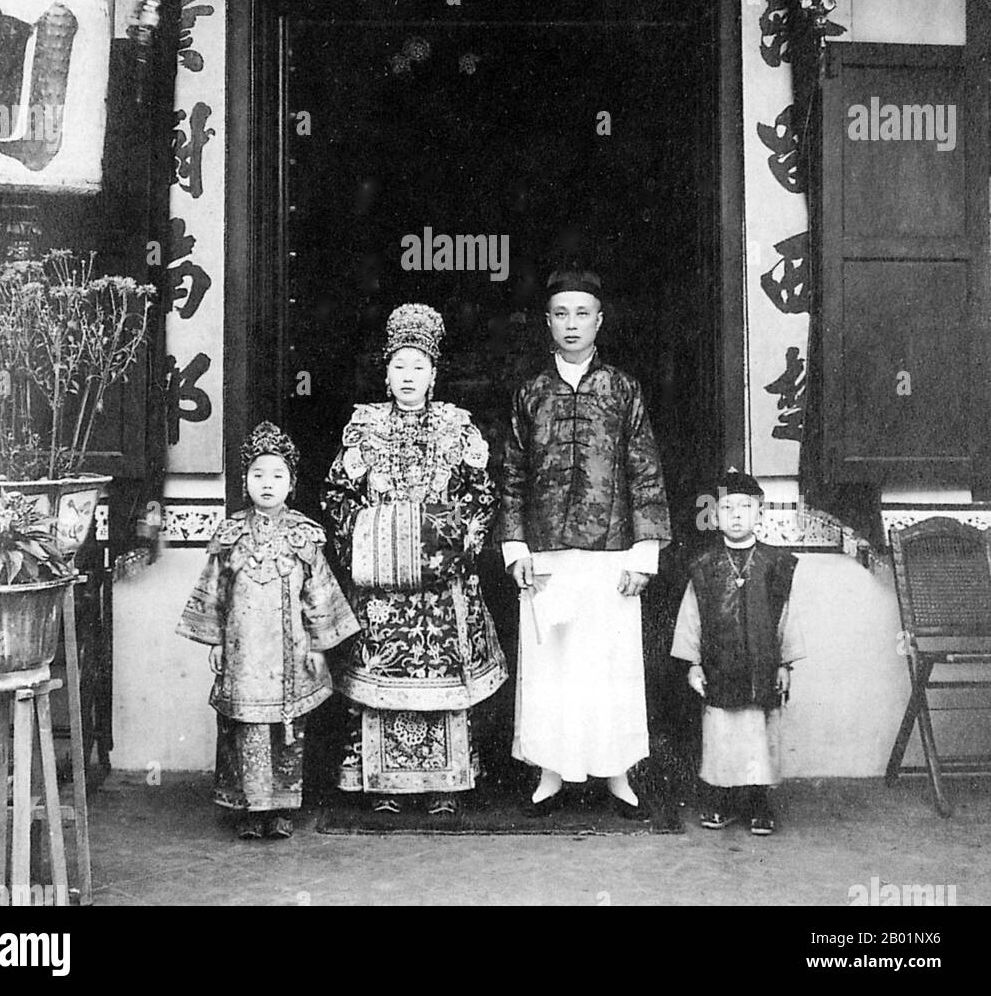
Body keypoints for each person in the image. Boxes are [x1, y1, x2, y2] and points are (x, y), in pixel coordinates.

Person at [498, 267, 671, 817]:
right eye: (561, 314)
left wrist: (646, 553)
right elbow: (512, 475)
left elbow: (645, 470)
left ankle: (617, 772)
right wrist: (515, 547)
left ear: (599, 321)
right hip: (547, 550)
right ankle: (551, 773)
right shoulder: (531, 392)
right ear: (547, 322)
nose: (571, 324)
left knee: (610, 666)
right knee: (552, 666)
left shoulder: (622, 389)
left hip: (611, 550)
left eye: (582, 314)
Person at [322, 302, 507, 814]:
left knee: (443, 678)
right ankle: (382, 785)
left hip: (443, 583)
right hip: (382, 584)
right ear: (385, 373)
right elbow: (338, 494)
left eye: (418, 367)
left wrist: (454, 546)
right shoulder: (364, 428)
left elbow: (482, 495)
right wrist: (372, 545)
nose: (408, 377)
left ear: (433, 374)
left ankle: (446, 786)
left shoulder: (458, 428)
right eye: (399, 366)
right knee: (385, 679)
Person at [177, 422, 359, 840]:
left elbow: (319, 594)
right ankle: (249, 807)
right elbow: (215, 591)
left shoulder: (304, 536)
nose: (267, 484)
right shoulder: (230, 535)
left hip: (289, 654)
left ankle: (280, 808)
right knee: (245, 727)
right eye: (258, 474)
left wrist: (317, 646)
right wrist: (217, 641)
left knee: (287, 728)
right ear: (245, 480)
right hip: (243, 653)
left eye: (278, 475)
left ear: (291, 483)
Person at [670, 469, 805, 836]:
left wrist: (785, 664)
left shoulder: (777, 564)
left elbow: (786, 617)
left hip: (763, 665)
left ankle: (760, 802)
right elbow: (691, 616)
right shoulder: (704, 565)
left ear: (759, 512)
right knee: (723, 737)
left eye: (745, 507)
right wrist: (694, 663)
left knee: (761, 738)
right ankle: (724, 800)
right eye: (727, 507)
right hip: (720, 666)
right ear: (714, 515)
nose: (735, 514)